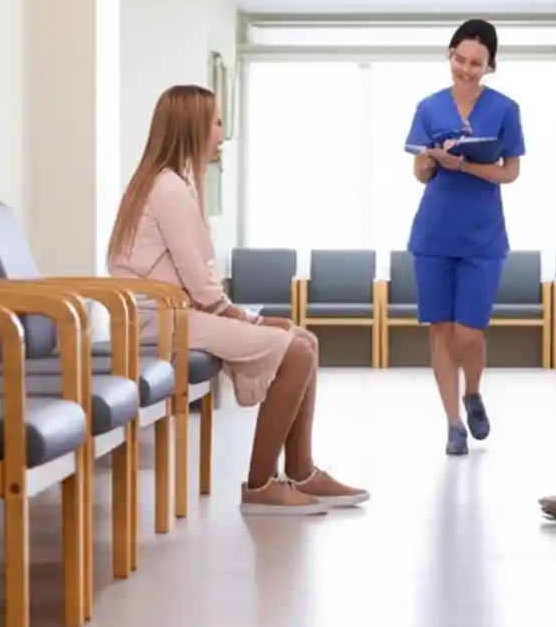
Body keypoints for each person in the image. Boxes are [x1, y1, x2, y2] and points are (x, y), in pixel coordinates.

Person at [108, 85, 369, 516]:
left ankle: (301, 471)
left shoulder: (176, 183)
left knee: (303, 338)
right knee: (295, 349)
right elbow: (197, 280)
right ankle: (260, 485)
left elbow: (198, 281)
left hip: (178, 312)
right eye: (216, 122)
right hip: (162, 319)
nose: (221, 134)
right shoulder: (169, 188)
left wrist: (249, 318)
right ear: (192, 127)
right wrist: (249, 319)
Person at [405, 18, 526, 456]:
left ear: (490, 65)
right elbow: (420, 172)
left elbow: (510, 171)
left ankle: (472, 392)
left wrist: (467, 166)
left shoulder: (505, 109)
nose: (466, 69)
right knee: (440, 329)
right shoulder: (429, 107)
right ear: (449, 54)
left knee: (468, 332)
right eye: (460, 59)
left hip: (483, 236)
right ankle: (453, 422)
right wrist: (430, 161)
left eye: (477, 63)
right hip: (434, 232)